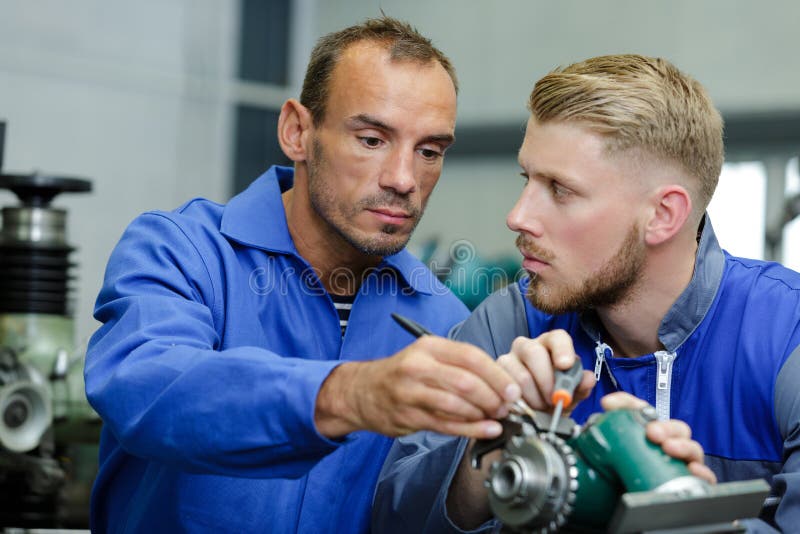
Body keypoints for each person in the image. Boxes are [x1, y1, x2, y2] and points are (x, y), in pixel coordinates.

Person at [83, 17, 531, 533]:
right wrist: (351, 394)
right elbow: (145, 388)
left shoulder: (443, 320)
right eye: (371, 139)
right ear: (297, 132)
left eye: (429, 151)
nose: (404, 179)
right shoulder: (181, 252)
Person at [372, 54, 800, 533]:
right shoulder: (510, 325)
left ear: (662, 215)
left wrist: (689, 517)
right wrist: (492, 450)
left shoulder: (787, 335)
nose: (517, 216)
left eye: (560, 189)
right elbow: (393, 521)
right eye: (528, 179)